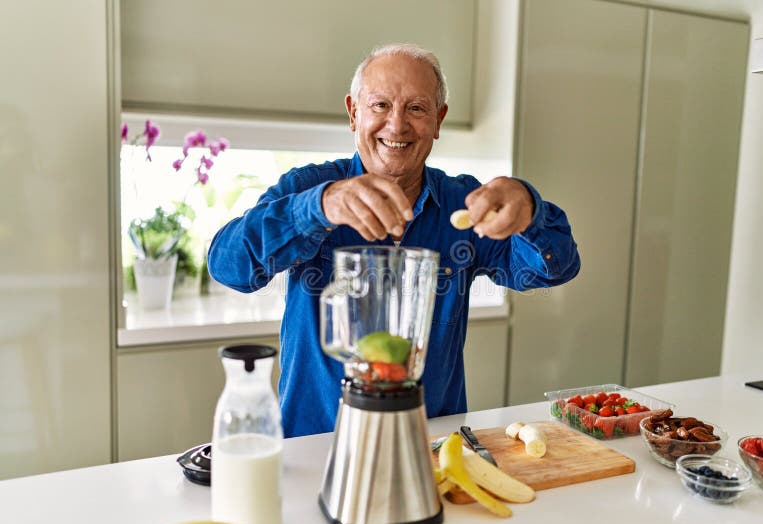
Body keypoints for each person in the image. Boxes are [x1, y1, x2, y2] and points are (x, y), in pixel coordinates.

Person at [208, 44, 580, 437]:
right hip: (314, 441)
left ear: (438, 120)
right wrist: (318, 209)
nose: (397, 125)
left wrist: (529, 211)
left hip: (432, 444)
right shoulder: (307, 189)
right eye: (380, 105)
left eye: (416, 108)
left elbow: (556, 268)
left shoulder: (465, 205)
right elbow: (228, 266)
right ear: (354, 113)